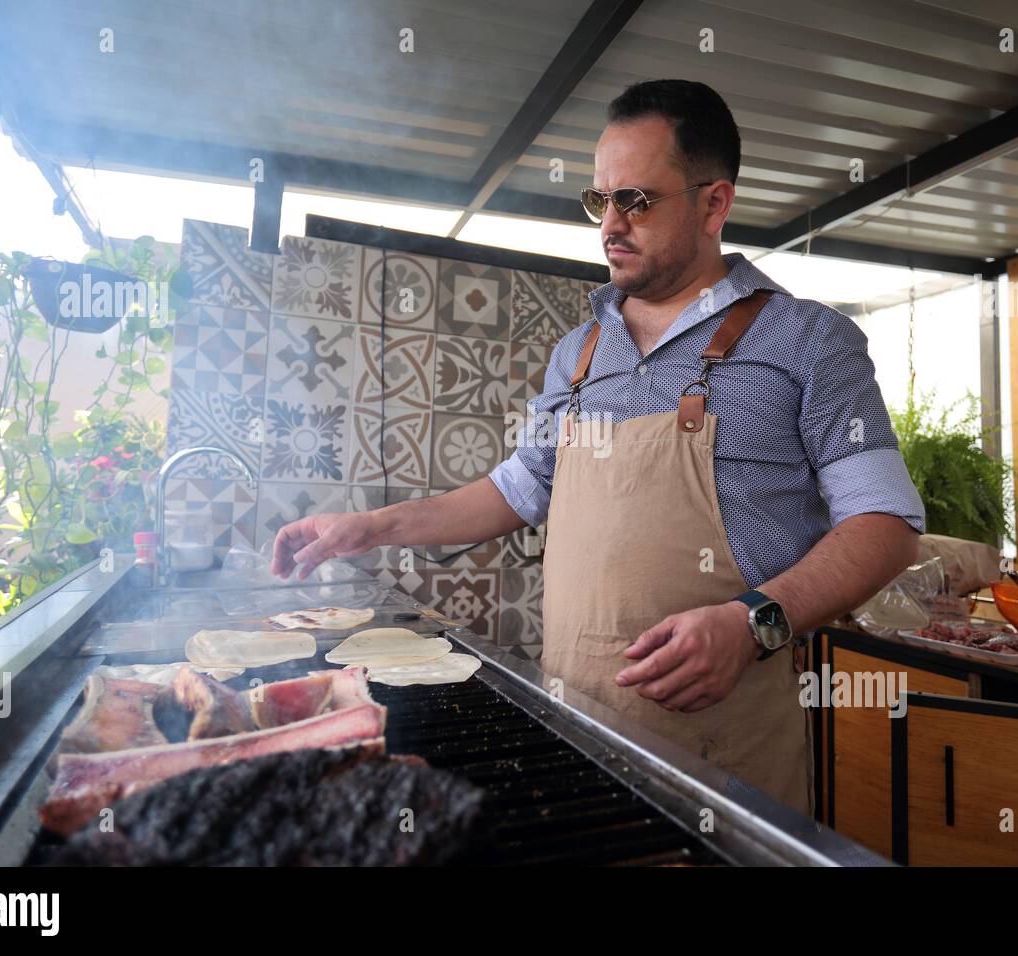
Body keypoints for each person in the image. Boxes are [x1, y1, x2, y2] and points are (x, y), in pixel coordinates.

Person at [271, 79, 924, 814]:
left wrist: (753, 624)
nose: (610, 224)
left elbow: (886, 523)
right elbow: (519, 487)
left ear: (715, 203)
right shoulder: (578, 354)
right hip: (577, 730)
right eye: (600, 201)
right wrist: (369, 528)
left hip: (725, 753)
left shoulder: (810, 341)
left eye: (636, 201)